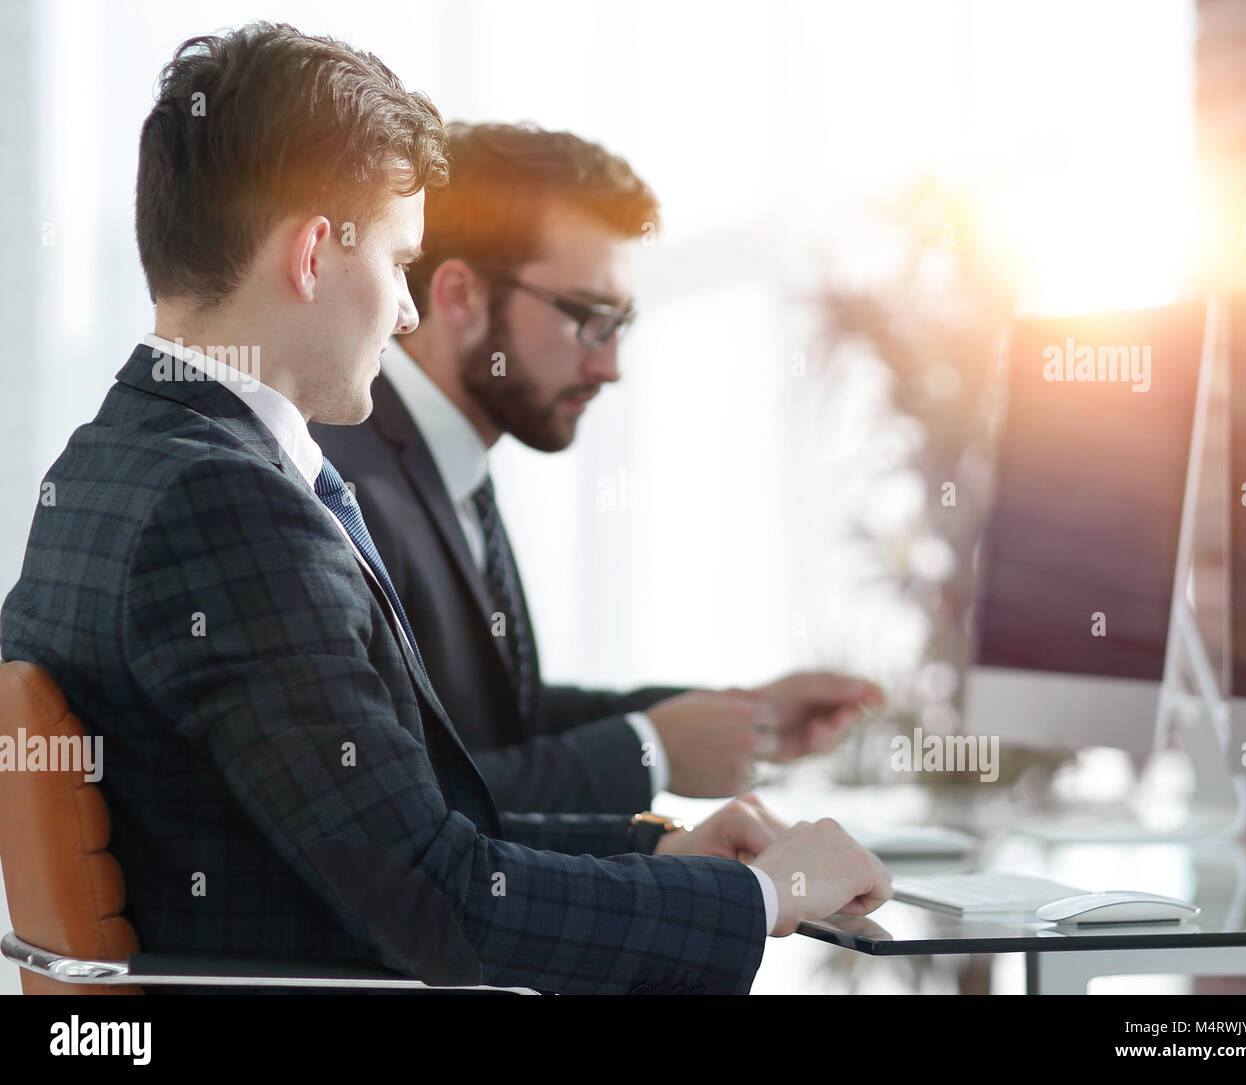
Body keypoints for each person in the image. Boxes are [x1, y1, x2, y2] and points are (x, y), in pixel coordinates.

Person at [0, 22, 890, 995]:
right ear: (312, 257)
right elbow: (440, 898)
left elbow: (391, 824)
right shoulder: (228, 505)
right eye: (398, 262)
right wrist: (763, 898)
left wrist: (655, 851)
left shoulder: (108, 459)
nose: (409, 315)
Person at [312, 122, 877, 814]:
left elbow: (496, 719)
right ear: (460, 296)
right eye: (589, 317)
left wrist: (740, 716)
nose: (610, 366)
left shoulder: (445, 464)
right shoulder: (345, 487)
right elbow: (413, 800)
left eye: (622, 325)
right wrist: (652, 748)